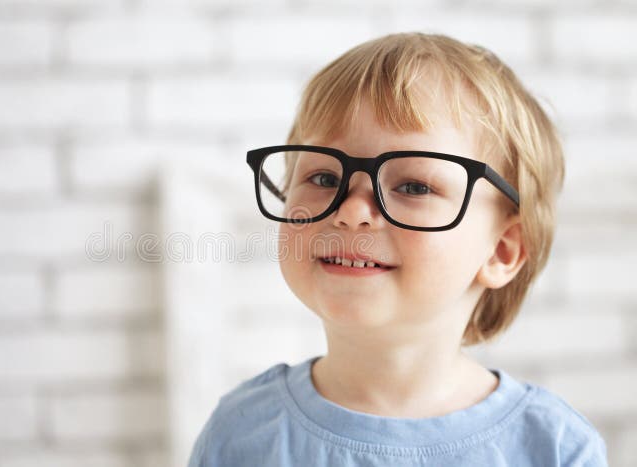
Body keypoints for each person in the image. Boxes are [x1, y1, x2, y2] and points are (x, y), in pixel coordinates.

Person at [187, 32, 608, 466]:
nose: (352, 212)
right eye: (324, 179)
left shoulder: (554, 450)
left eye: (413, 187)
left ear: (501, 251)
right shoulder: (241, 436)